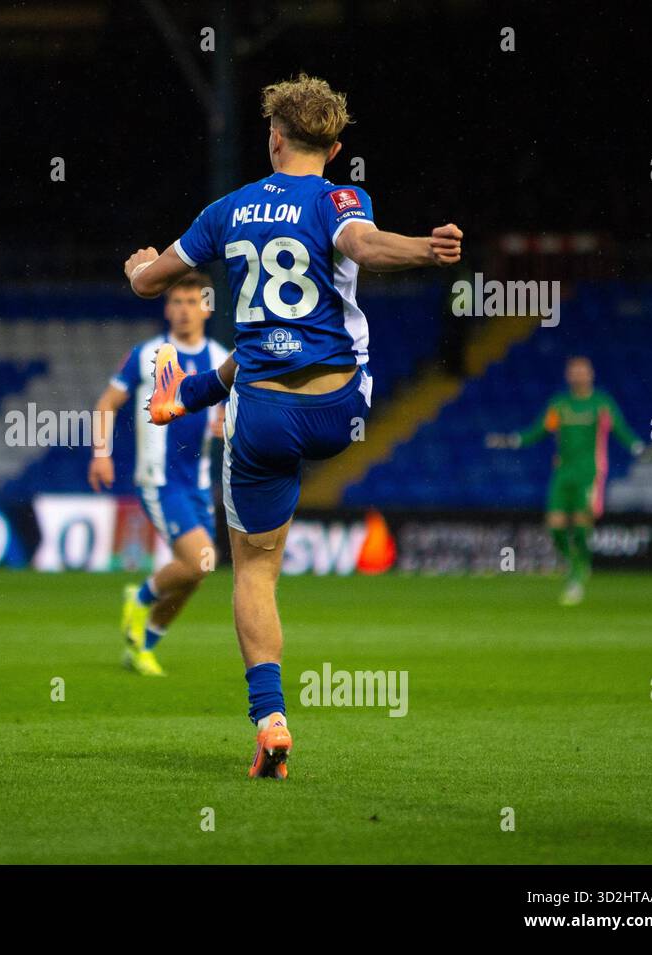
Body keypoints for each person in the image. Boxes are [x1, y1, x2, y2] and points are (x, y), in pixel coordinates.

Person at [121, 73, 462, 778]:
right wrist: (427, 250)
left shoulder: (228, 209)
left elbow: (152, 281)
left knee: (254, 568)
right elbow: (365, 246)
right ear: (334, 148)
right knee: (278, 351)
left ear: (273, 137)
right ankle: (189, 394)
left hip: (267, 415)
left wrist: (136, 270)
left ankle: (271, 720)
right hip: (340, 409)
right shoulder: (342, 197)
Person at [89, 272, 228, 675]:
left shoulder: (221, 358)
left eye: (190, 302)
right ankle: (141, 597)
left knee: (194, 577)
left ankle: (143, 645)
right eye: (175, 302)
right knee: (202, 561)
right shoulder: (147, 354)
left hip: (198, 483)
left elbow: (235, 411)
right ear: (166, 308)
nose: (182, 310)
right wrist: (102, 454)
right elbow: (106, 404)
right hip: (159, 480)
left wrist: (228, 422)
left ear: (206, 307)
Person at [486, 355, 645, 605]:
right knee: (555, 527)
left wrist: (638, 447)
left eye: (582, 371)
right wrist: (513, 440)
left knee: (581, 524)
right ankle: (577, 563)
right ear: (568, 375)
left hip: (588, 473)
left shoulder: (601, 403)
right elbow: (539, 429)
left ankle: (578, 573)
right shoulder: (560, 404)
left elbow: (620, 429)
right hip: (562, 473)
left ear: (590, 374)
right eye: (574, 371)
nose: (578, 375)